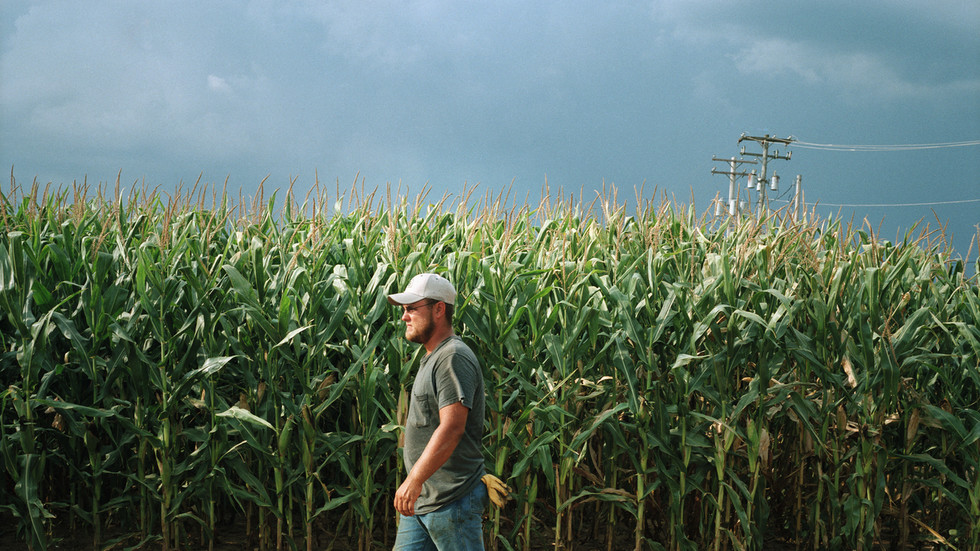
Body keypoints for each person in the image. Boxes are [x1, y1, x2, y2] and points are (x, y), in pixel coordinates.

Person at [387, 273, 487, 550]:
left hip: (452, 500)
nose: (404, 317)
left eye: (411, 309)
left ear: (439, 309)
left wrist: (414, 480)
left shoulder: (452, 356)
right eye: (403, 310)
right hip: (422, 501)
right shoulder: (433, 356)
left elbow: (452, 427)